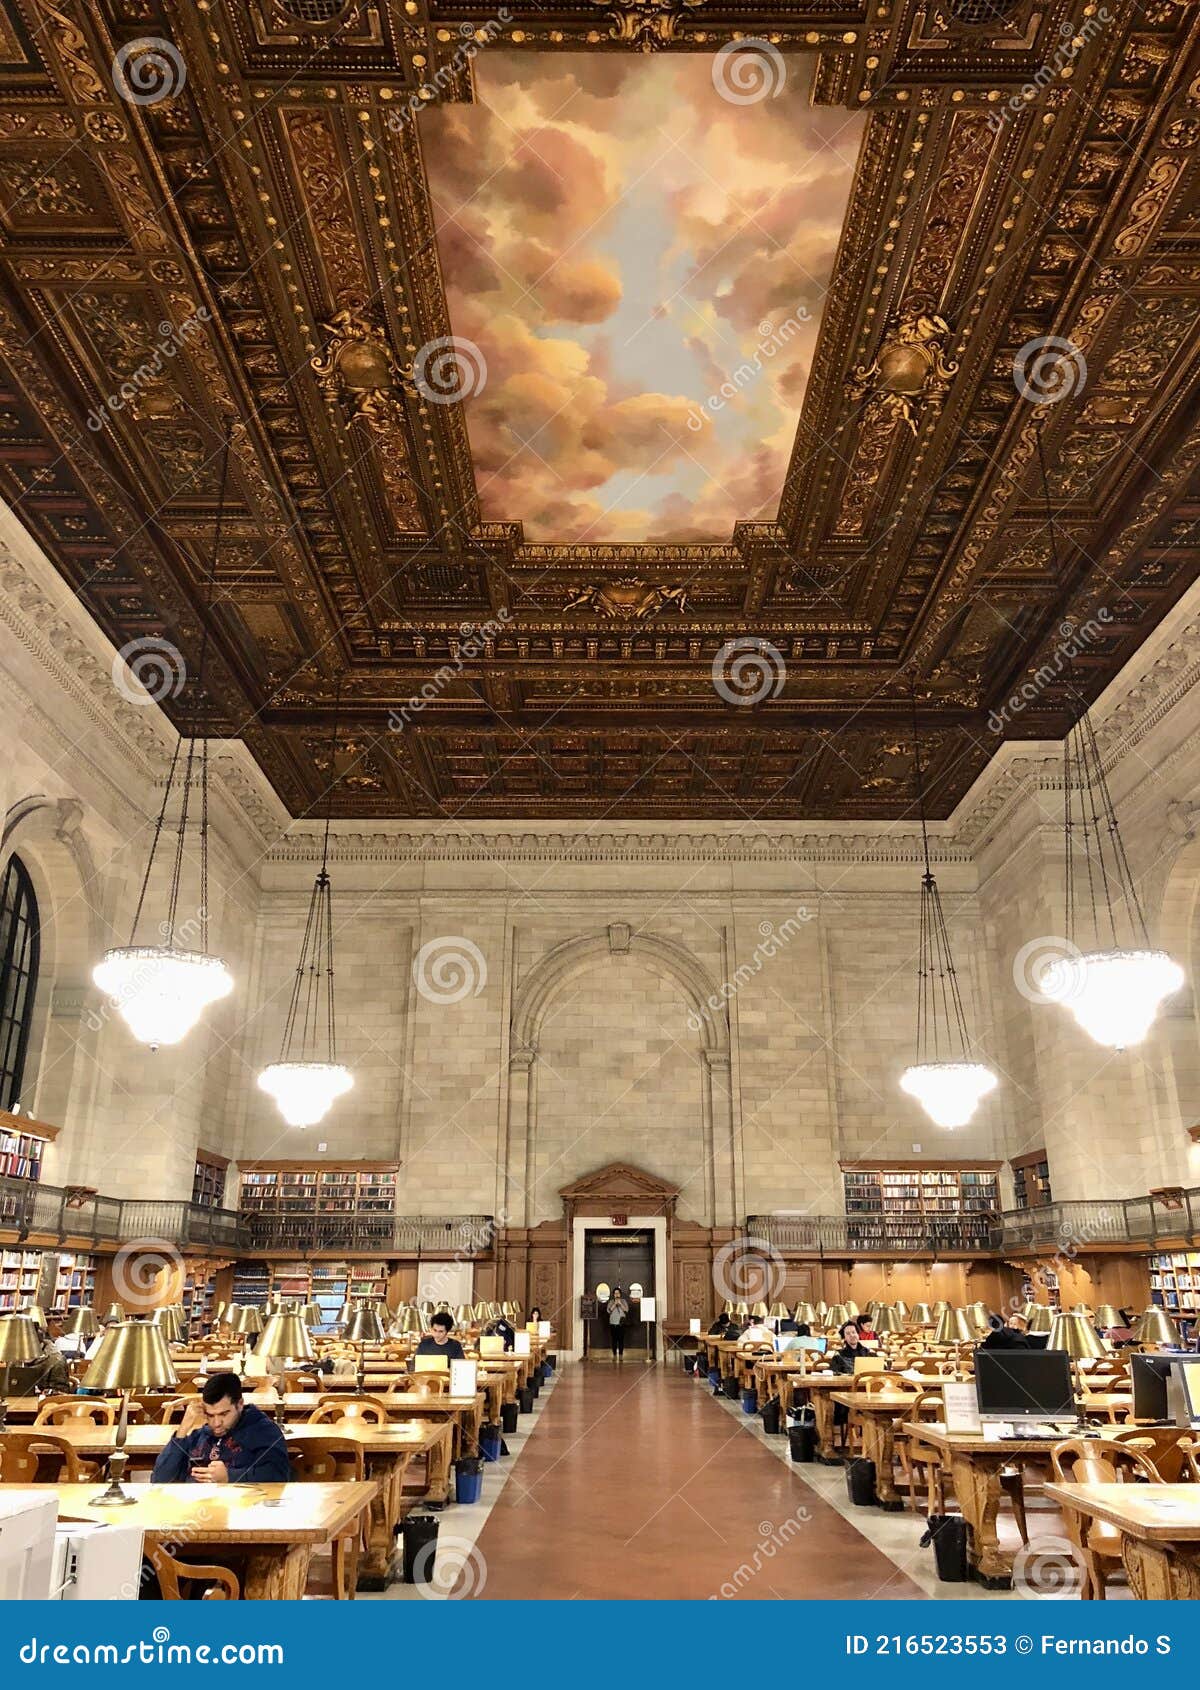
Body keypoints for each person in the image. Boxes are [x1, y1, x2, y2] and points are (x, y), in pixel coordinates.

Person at [150, 1373, 289, 1484]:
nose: (216, 1423)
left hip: (240, 1511)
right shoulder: (198, 1435)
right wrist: (182, 1431)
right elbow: (159, 1479)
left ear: (240, 1404)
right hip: (193, 1510)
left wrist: (230, 1476)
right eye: (210, 1415)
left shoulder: (264, 1431)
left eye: (224, 1414)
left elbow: (279, 1474)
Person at [9, 1331, 71, 1396]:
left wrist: (49, 1392)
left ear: (41, 1345)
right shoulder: (15, 1359)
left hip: (46, 1403)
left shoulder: (57, 1361)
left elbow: (62, 1392)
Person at [606, 1287, 629, 1361]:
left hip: (621, 1324)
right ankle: (614, 1355)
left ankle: (621, 1355)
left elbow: (626, 1310)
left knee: (621, 1340)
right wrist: (615, 1304)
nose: (617, 1294)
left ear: (620, 1294)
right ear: (613, 1295)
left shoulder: (624, 1301)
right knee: (614, 1340)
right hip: (613, 1323)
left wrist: (620, 1304)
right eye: (615, 1293)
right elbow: (609, 1311)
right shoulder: (611, 1302)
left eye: (618, 1293)